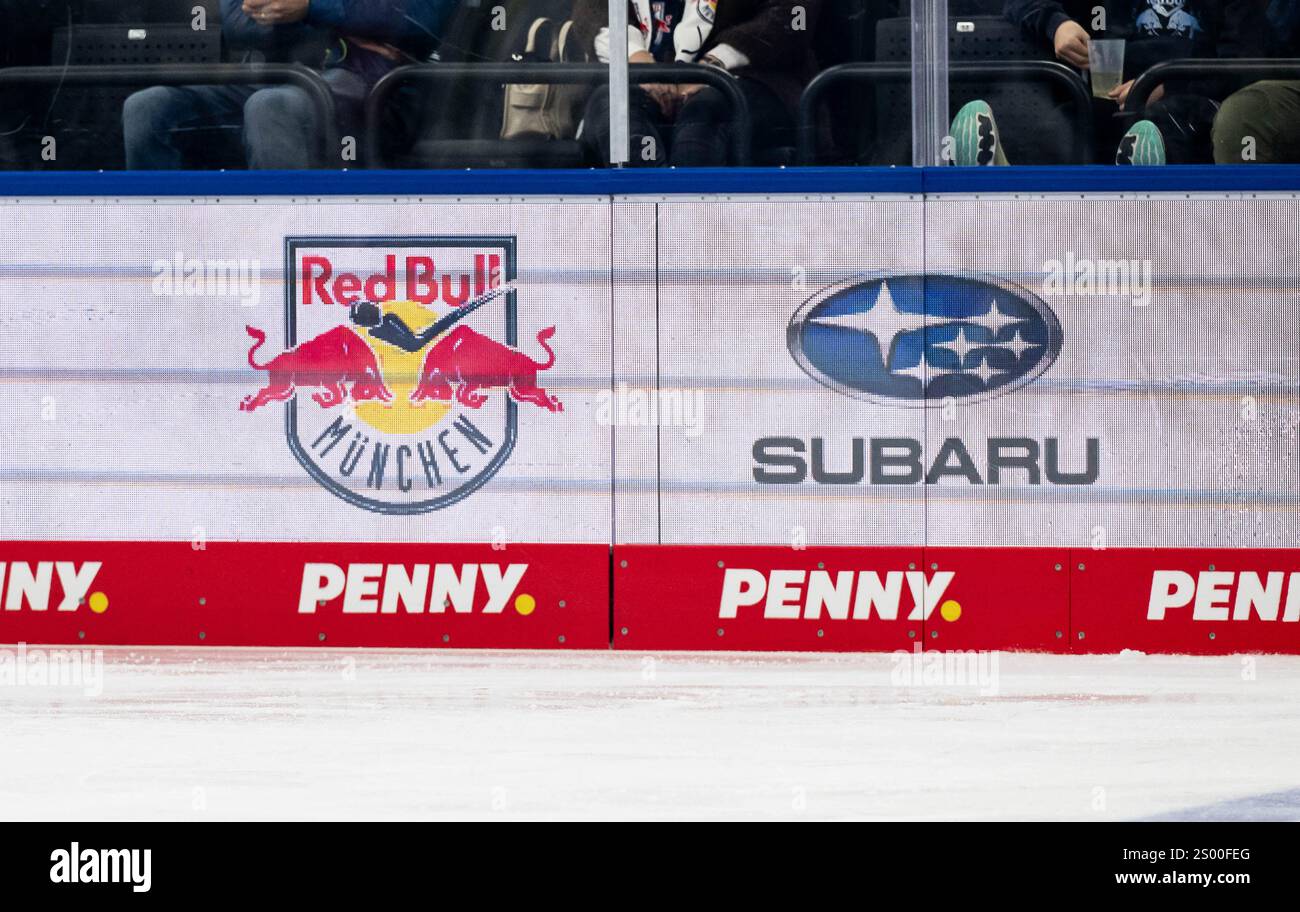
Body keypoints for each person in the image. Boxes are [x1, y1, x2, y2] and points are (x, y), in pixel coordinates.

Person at [122, 0, 453, 169]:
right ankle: (159, 254)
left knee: (271, 107)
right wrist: (335, 17)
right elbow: (239, 22)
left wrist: (310, 7)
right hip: (271, 77)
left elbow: (421, 21)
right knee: (147, 108)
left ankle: (284, 259)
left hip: (371, 86)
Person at [962, 0, 1268, 164]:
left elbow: (1244, 60)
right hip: (1108, 96)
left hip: (1192, 98)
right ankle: (997, 175)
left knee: (1166, 125)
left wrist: (1170, 85)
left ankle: (1142, 202)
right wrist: (1057, 24)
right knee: (1055, 127)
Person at [572, 0, 822, 166]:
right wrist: (638, 61)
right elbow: (590, 12)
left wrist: (714, 64)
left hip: (748, 80)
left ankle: (693, 236)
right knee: (617, 114)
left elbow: (795, 16)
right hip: (644, 82)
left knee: (701, 118)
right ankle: (643, 233)